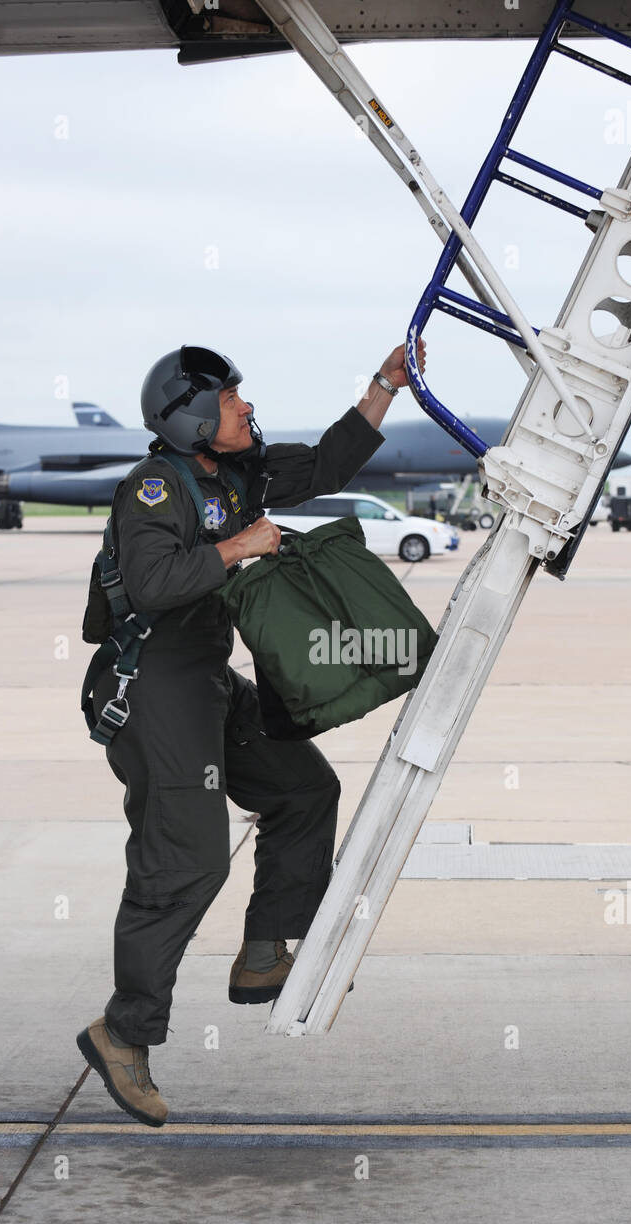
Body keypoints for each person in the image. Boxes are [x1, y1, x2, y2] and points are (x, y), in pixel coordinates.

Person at [76, 339, 425, 1127]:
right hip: (153, 686)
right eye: (233, 400)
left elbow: (329, 465)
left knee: (304, 788)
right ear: (196, 417)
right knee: (188, 861)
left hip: (204, 680)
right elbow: (154, 583)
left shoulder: (238, 475)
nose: (247, 407)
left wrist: (384, 384)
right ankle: (123, 1033)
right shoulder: (155, 488)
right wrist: (241, 545)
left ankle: (266, 951)